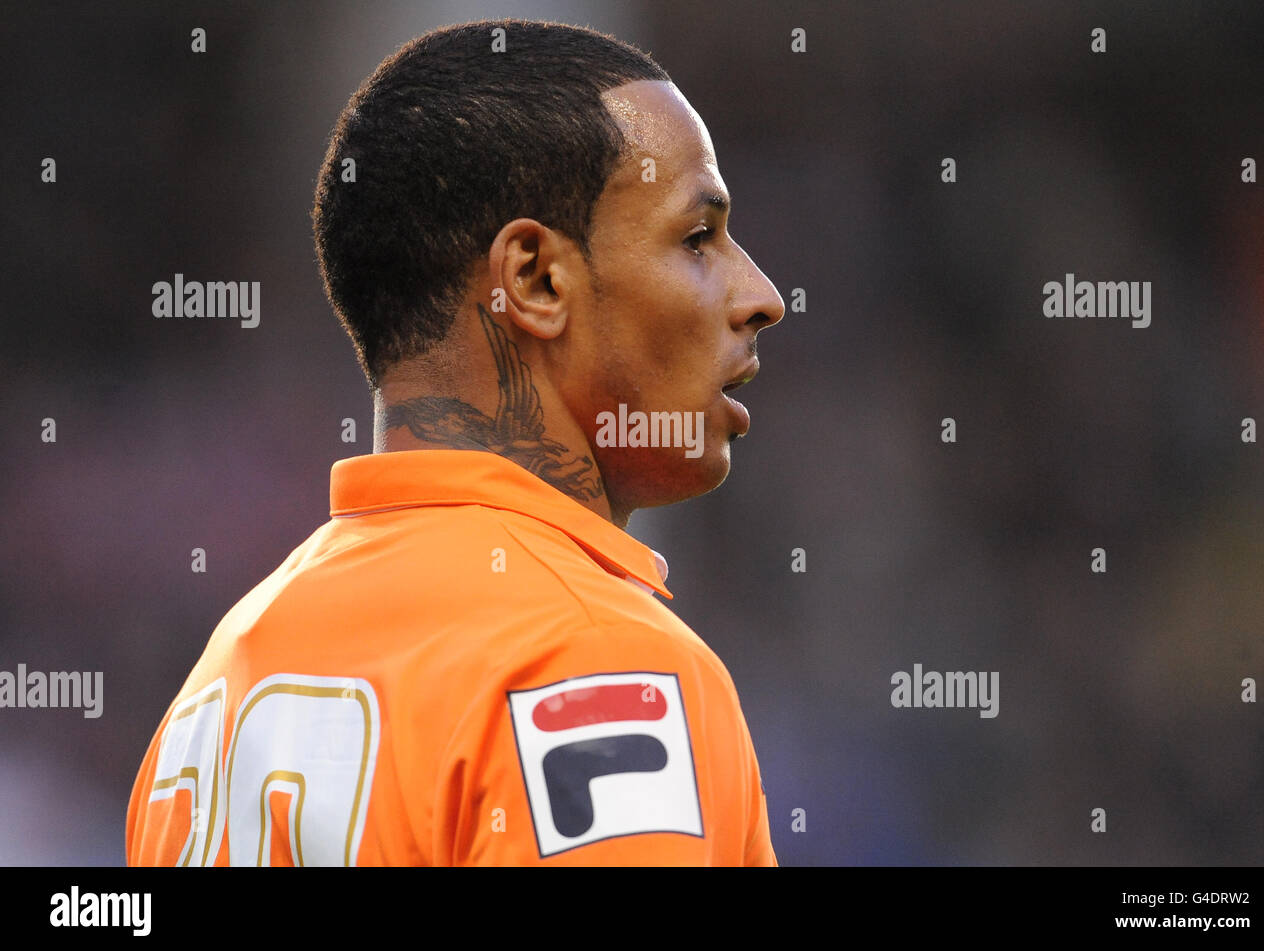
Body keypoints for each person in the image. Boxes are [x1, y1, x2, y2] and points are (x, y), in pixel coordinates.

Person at [126, 18, 785, 866]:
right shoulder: (593, 661)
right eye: (697, 238)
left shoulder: (219, 685)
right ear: (536, 281)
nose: (761, 295)